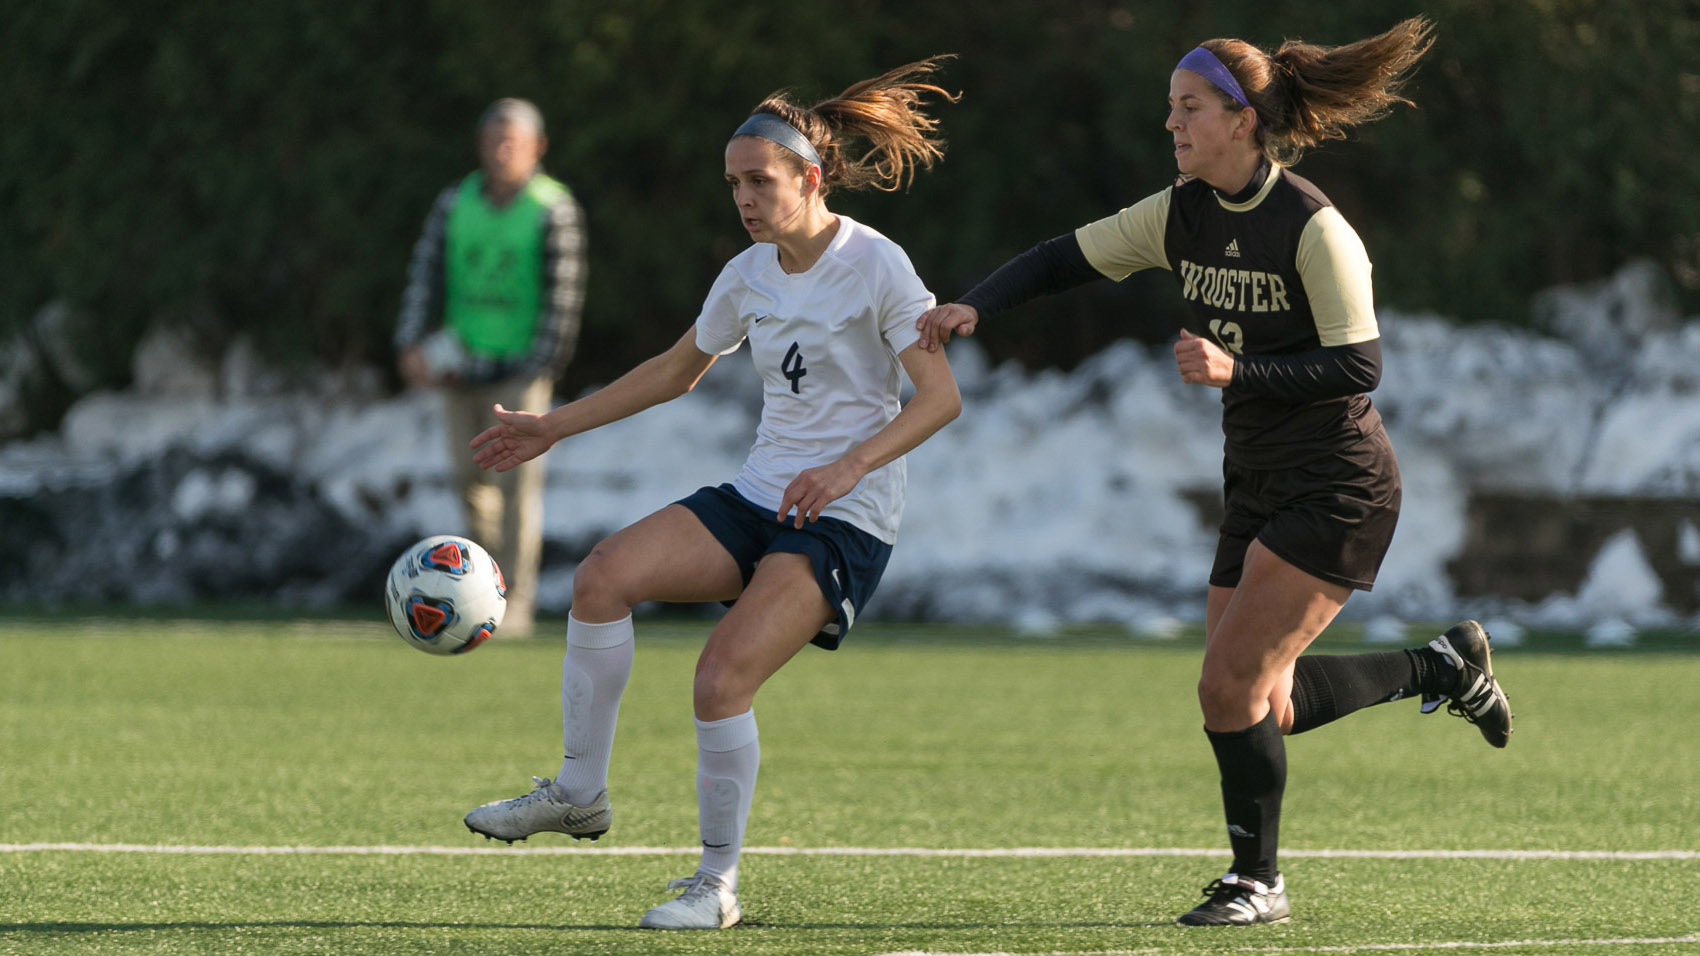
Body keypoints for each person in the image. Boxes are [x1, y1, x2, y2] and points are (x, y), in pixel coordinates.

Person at [915, 18, 1512, 927]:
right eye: (1170, 110)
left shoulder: (1314, 227)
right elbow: (1061, 258)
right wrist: (975, 303)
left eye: (1188, 109)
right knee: (1253, 703)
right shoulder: (1180, 210)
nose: (1173, 126)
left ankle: (1257, 883)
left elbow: (1361, 367)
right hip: (1259, 482)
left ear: (1242, 120)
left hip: (1339, 485)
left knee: (1225, 688)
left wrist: (1241, 372)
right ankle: (1438, 668)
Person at [461, 59, 962, 930]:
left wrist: (848, 468)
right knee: (601, 576)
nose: (743, 198)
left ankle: (715, 886)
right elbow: (675, 371)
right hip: (759, 495)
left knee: (720, 675)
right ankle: (580, 792)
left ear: (811, 176)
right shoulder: (749, 274)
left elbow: (941, 399)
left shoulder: (877, 265)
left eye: (758, 180)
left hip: (844, 520)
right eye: (733, 183)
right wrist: (555, 425)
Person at [395, 97, 587, 637]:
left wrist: (540, 365)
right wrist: (413, 341)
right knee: (466, 478)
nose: (503, 152)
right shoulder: (455, 201)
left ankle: (515, 602)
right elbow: (425, 274)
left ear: (536, 148)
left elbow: (563, 299)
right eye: (494, 141)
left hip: (520, 370)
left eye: (514, 143)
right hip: (461, 365)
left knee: (517, 490)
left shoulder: (553, 206)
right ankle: (478, 587)